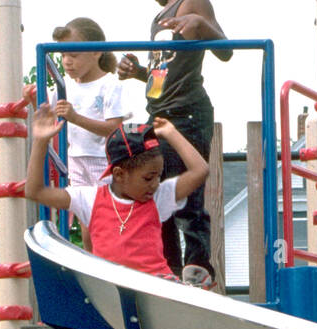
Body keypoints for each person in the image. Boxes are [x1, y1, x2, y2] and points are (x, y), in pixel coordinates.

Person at [117, 0, 230, 288]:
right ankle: (168, 263)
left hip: (187, 113)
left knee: (186, 191)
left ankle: (198, 264)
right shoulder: (159, 19)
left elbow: (224, 48)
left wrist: (201, 25)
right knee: (159, 190)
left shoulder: (192, 1)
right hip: (162, 112)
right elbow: (163, 73)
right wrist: (137, 72)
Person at [25, 108, 208, 278]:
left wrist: (171, 133)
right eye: (148, 178)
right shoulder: (90, 199)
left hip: (154, 285)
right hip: (113, 287)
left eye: (159, 176)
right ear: (119, 174)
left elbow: (200, 170)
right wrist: (41, 141)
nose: (155, 184)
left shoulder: (158, 198)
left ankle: (189, 285)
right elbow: (35, 192)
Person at [27, 17, 126, 250]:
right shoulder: (65, 86)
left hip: (105, 160)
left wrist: (75, 118)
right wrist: (32, 101)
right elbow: (48, 118)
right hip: (76, 159)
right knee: (86, 223)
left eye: (74, 55)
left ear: (96, 53)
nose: (67, 62)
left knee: (106, 219)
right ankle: (93, 268)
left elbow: (114, 128)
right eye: (63, 56)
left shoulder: (109, 85)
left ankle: (108, 265)